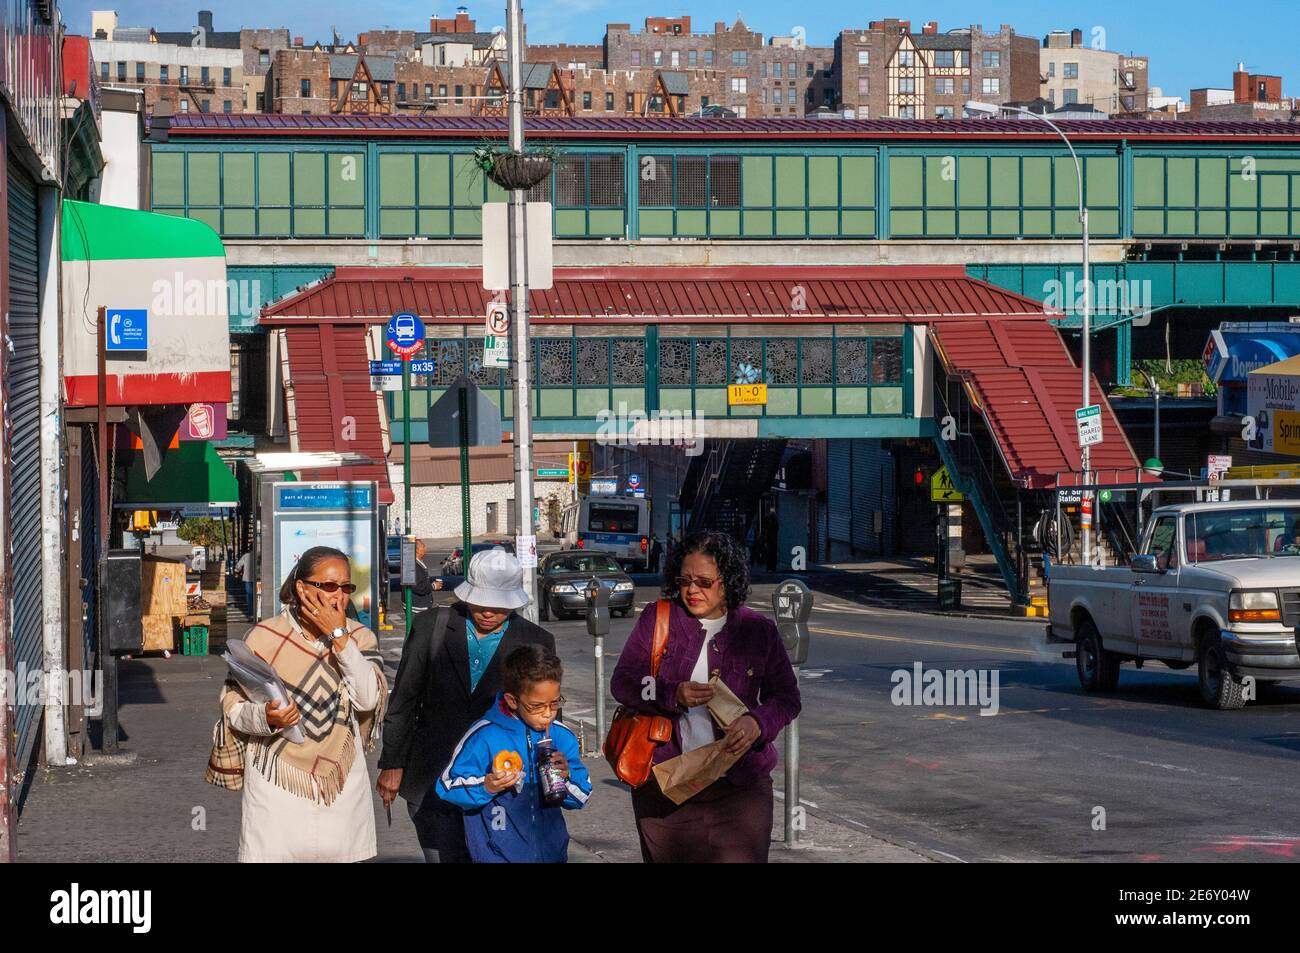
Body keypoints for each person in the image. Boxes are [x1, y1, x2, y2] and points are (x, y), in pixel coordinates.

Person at [610, 530, 801, 863]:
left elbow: (787, 698)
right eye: (685, 580)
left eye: (704, 581)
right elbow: (624, 683)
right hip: (668, 788)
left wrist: (757, 723)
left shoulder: (759, 631)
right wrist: (672, 693)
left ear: (728, 581)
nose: (692, 590)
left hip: (740, 790)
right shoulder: (658, 619)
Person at [207, 546, 387, 862]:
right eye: (329, 586)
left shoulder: (360, 638)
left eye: (346, 587)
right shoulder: (264, 636)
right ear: (302, 588)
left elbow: (368, 698)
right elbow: (233, 707)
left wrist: (340, 638)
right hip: (275, 786)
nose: (339, 597)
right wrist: (266, 717)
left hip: (340, 788)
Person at [376, 548, 556, 863]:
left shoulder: (535, 640)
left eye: (498, 604)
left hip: (503, 783)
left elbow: (544, 716)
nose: (487, 611)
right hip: (431, 778)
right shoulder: (431, 625)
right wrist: (392, 763)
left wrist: (548, 772)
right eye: (480, 600)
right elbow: (404, 698)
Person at [436, 644, 591, 862]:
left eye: (554, 703)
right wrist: (486, 786)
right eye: (537, 706)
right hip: (497, 854)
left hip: (552, 854)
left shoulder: (561, 736)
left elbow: (582, 796)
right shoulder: (485, 735)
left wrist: (567, 777)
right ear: (512, 701)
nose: (547, 714)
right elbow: (446, 786)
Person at [410, 538, 444, 614]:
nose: (425, 548)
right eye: (423, 546)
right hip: (417, 606)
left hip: (418, 604)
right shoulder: (414, 565)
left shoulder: (416, 562)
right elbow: (417, 587)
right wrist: (434, 586)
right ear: (417, 550)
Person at [234, 550, 254, 617]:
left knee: (250, 595)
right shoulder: (260, 554)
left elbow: (239, 565)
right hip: (258, 578)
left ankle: (251, 612)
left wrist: (236, 571)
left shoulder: (246, 555)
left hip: (248, 578)